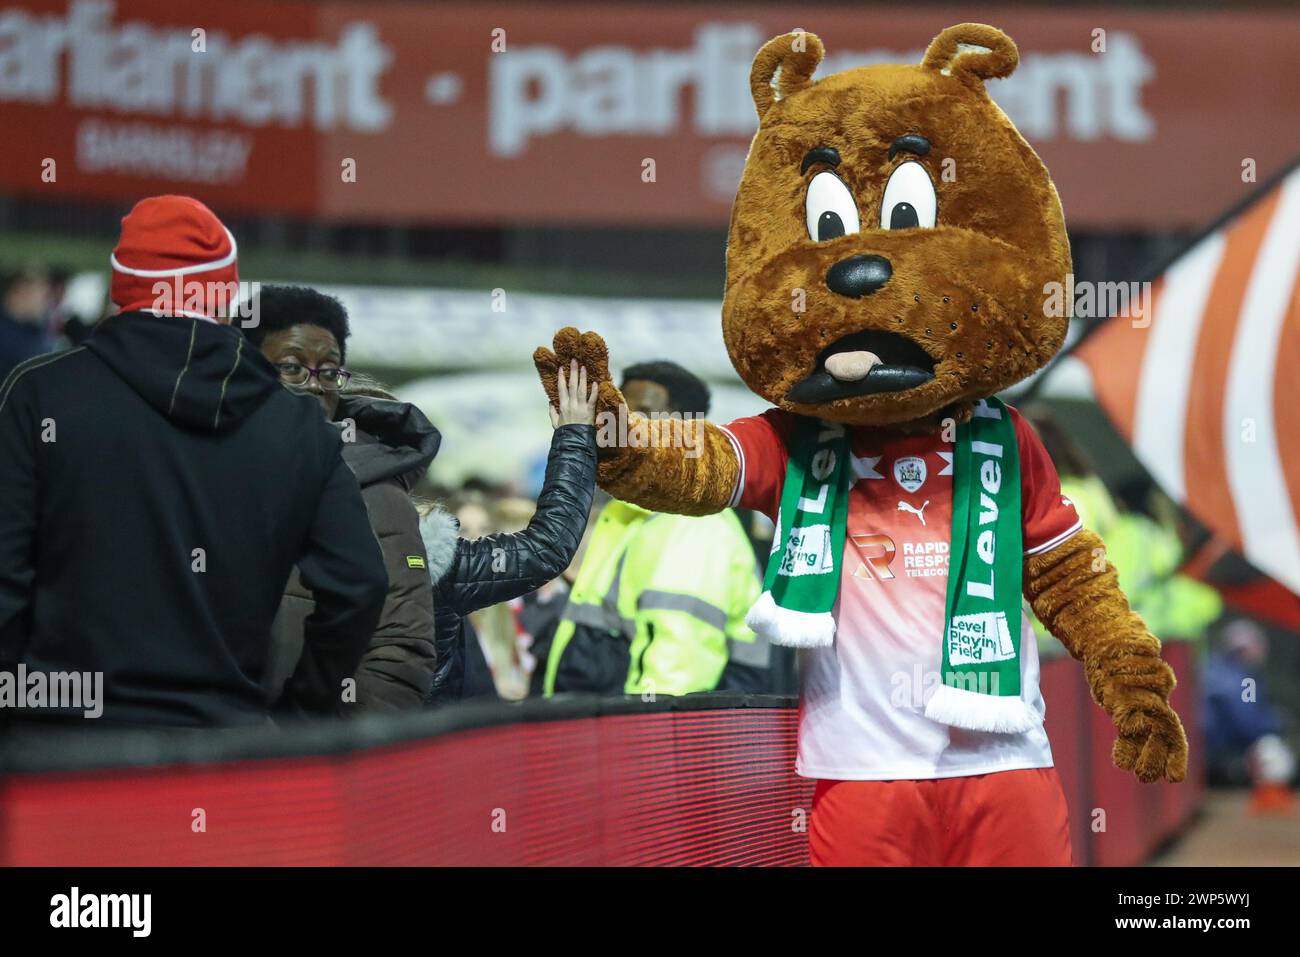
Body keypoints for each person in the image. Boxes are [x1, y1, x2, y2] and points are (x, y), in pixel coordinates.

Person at [0, 195, 387, 728]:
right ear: (223, 296)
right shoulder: (297, 425)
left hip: (60, 756)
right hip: (223, 755)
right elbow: (359, 585)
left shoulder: (39, 394)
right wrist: (300, 713)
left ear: (122, 289)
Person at [243, 285, 440, 712]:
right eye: (293, 368)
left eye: (330, 371)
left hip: (297, 762)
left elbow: (399, 657)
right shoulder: (201, 466)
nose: (316, 386)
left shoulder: (376, 492)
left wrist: (310, 737)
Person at [543, 361, 768, 697]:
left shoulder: (695, 525)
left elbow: (675, 676)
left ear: (687, 430)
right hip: (592, 730)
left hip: (641, 739)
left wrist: (634, 745)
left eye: (644, 413)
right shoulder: (630, 513)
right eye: (621, 410)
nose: (624, 424)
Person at [422, 360, 598, 705]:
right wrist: (575, 435)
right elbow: (546, 548)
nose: (472, 541)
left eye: (482, 530)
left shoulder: (507, 608)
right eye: (460, 530)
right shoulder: (430, 570)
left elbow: (542, 549)